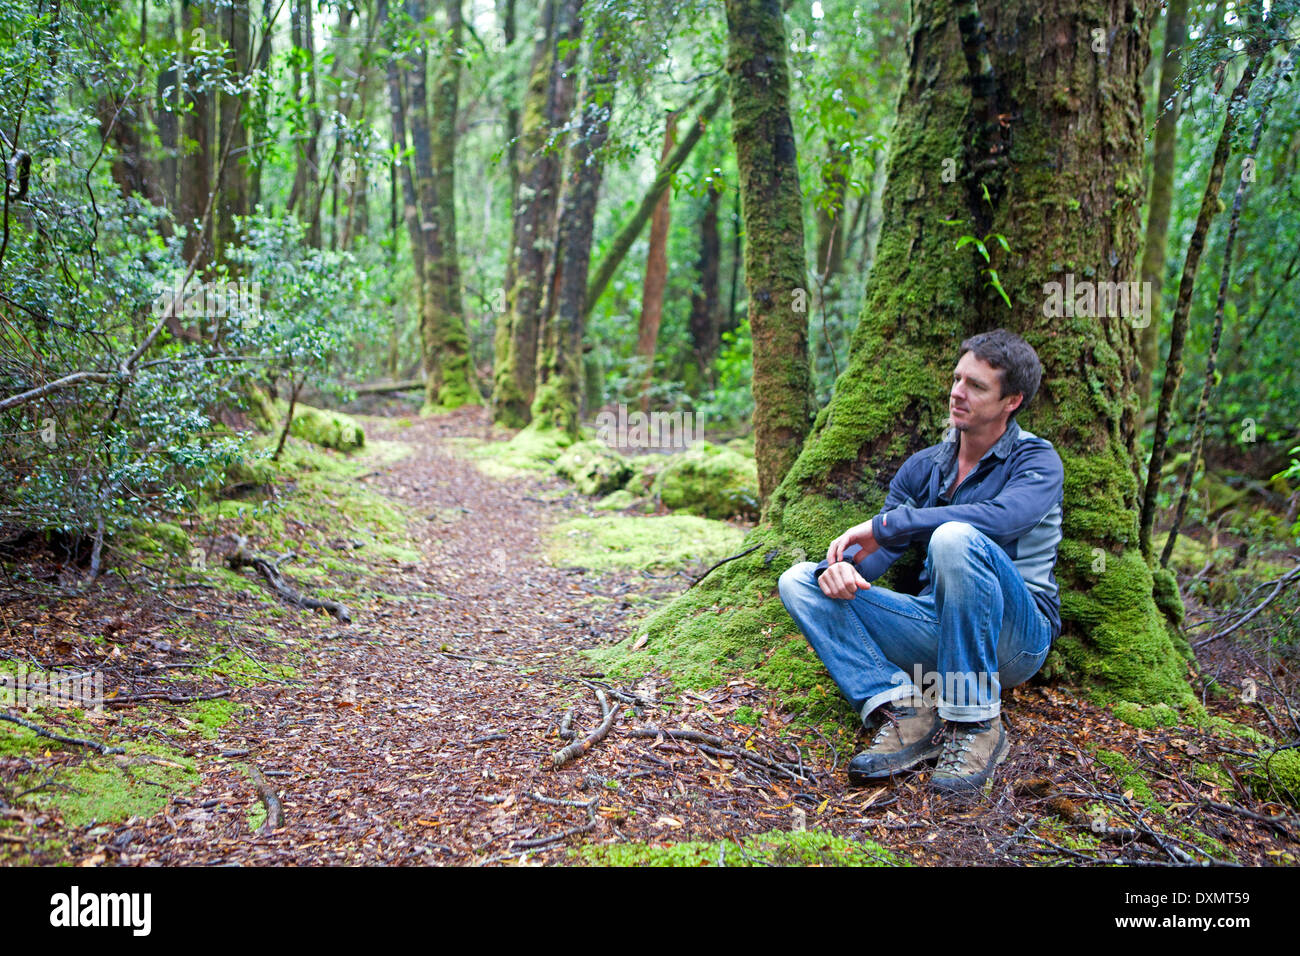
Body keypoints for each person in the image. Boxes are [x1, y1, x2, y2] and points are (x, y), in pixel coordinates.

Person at [777, 329, 1063, 794]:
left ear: (1012, 400)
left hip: (1015, 640)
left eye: (976, 386)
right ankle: (908, 710)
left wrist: (890, 523)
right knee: (799, 581)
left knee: (954, 537)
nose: (957, 392)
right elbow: (877, 553)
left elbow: (1007, 518)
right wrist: (846, 568)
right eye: (957, 379)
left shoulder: (1037, 459)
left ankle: (976, 725)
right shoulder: (925, 466)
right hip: (936, 631)